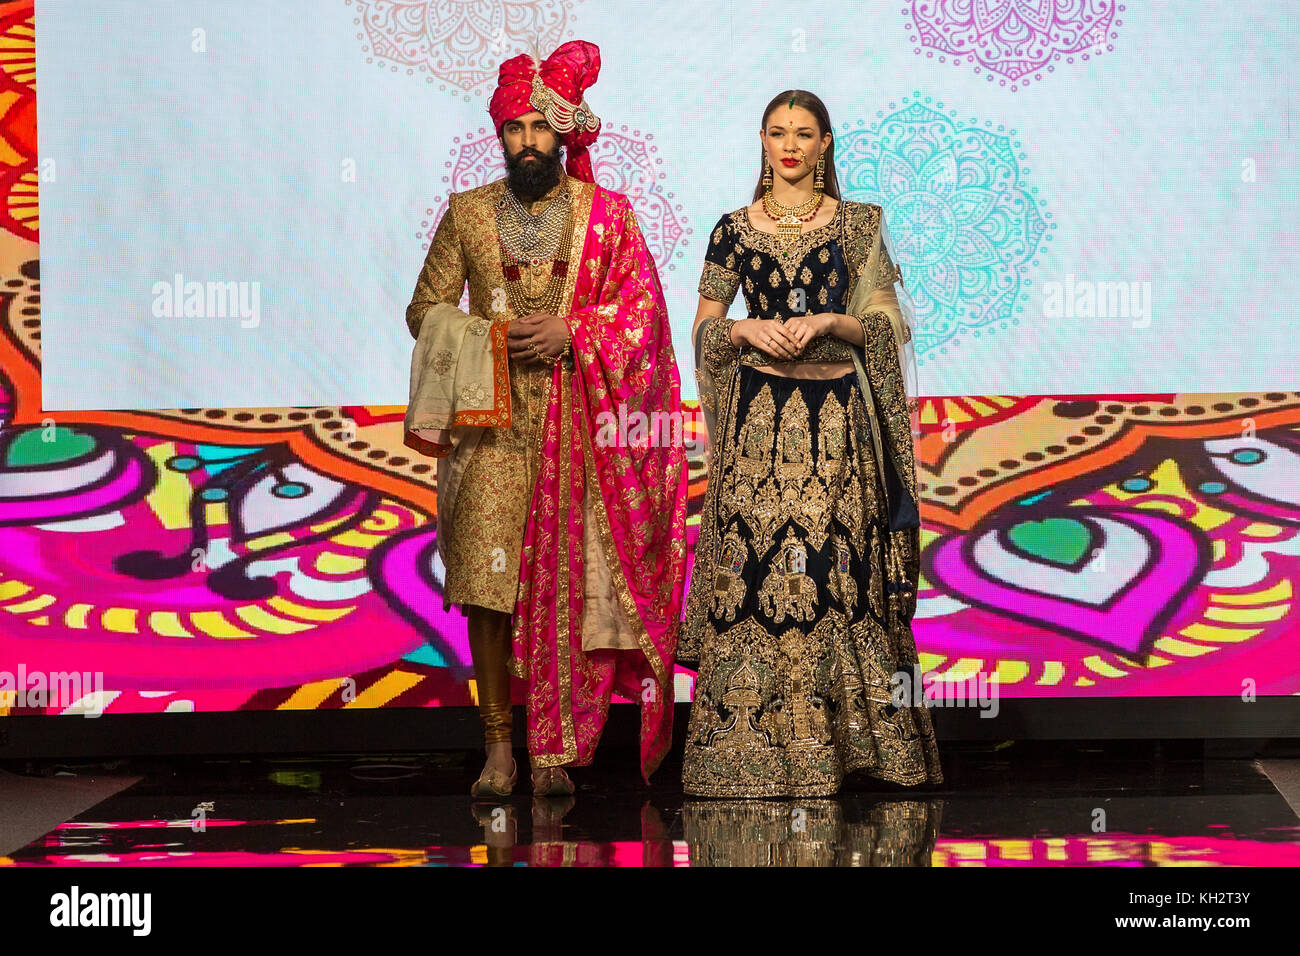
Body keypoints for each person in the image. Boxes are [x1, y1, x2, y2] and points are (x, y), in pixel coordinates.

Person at [403, 40, 687, 798]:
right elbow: (424, 308)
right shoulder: (466, 215)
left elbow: (645, 314)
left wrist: (576, 332)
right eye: (514, 129)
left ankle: (558, 747)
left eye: (539, 127)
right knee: (489, 587)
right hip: (490, 424)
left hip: (582, 422)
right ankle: (500, 749)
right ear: (498, 135)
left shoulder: (611, 216)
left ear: (564, 133)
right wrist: (487, 339)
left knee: (572, 582)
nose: (527, 142)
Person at [681, 89, 943, 798]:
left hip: (836, 425)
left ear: (827, 143)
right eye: (776, 132)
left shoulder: (859, 226)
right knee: (757, 570)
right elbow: (704, 328)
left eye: (803, 133)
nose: (789, 144)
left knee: (836, 571)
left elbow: (887, 325)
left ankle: (856, 754)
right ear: (761, 141)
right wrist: (740, 331)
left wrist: (834, 320)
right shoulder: (732, 229)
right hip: (759, 426)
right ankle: (750, 756)